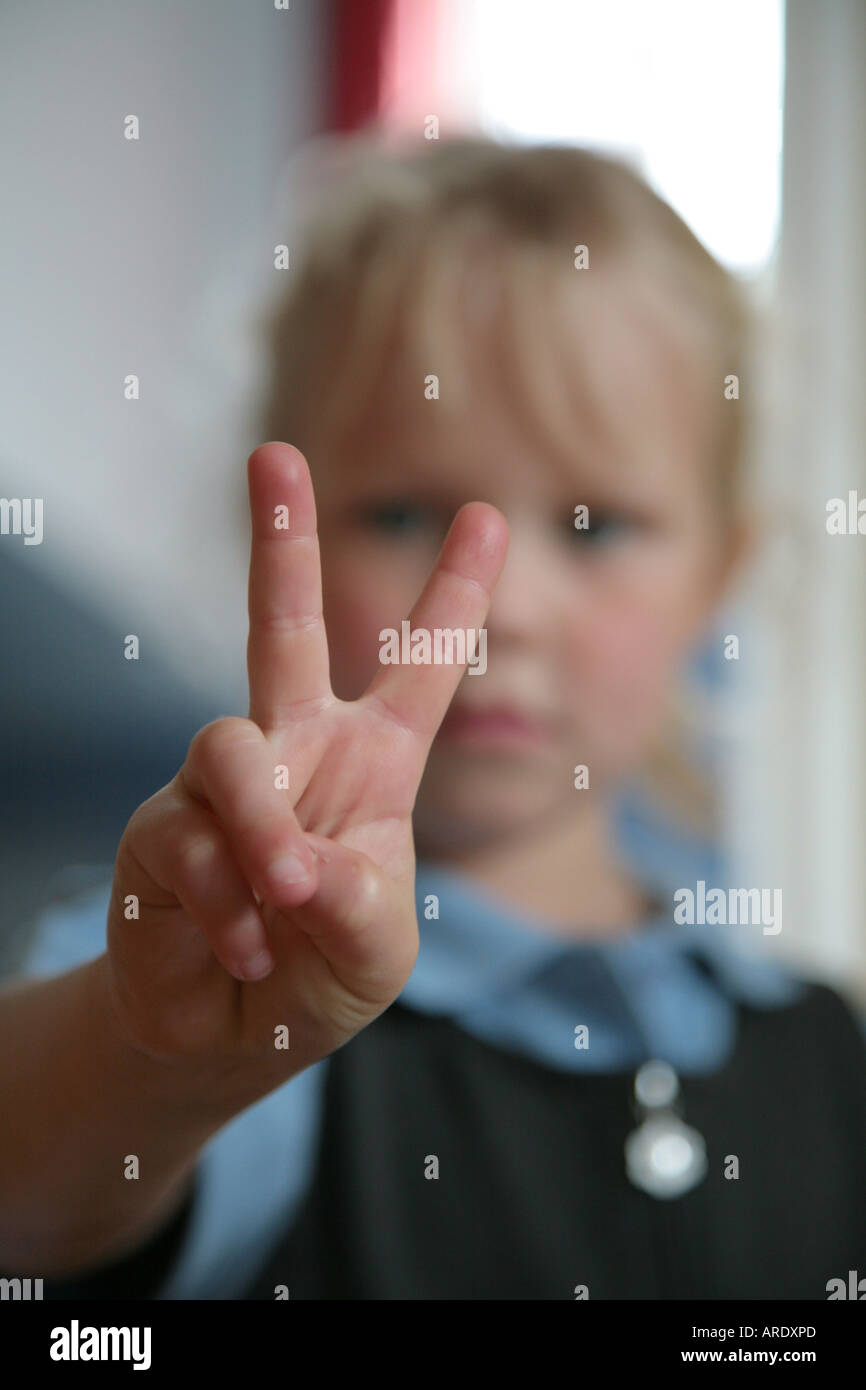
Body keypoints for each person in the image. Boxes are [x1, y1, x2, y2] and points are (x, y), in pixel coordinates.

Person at [2, 136, 864, 1301]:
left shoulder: (823, 1050)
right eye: (403, 513)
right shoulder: (224, 958)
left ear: (719, 572)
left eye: (595, 526)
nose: (494, 613)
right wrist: (161, 1060)